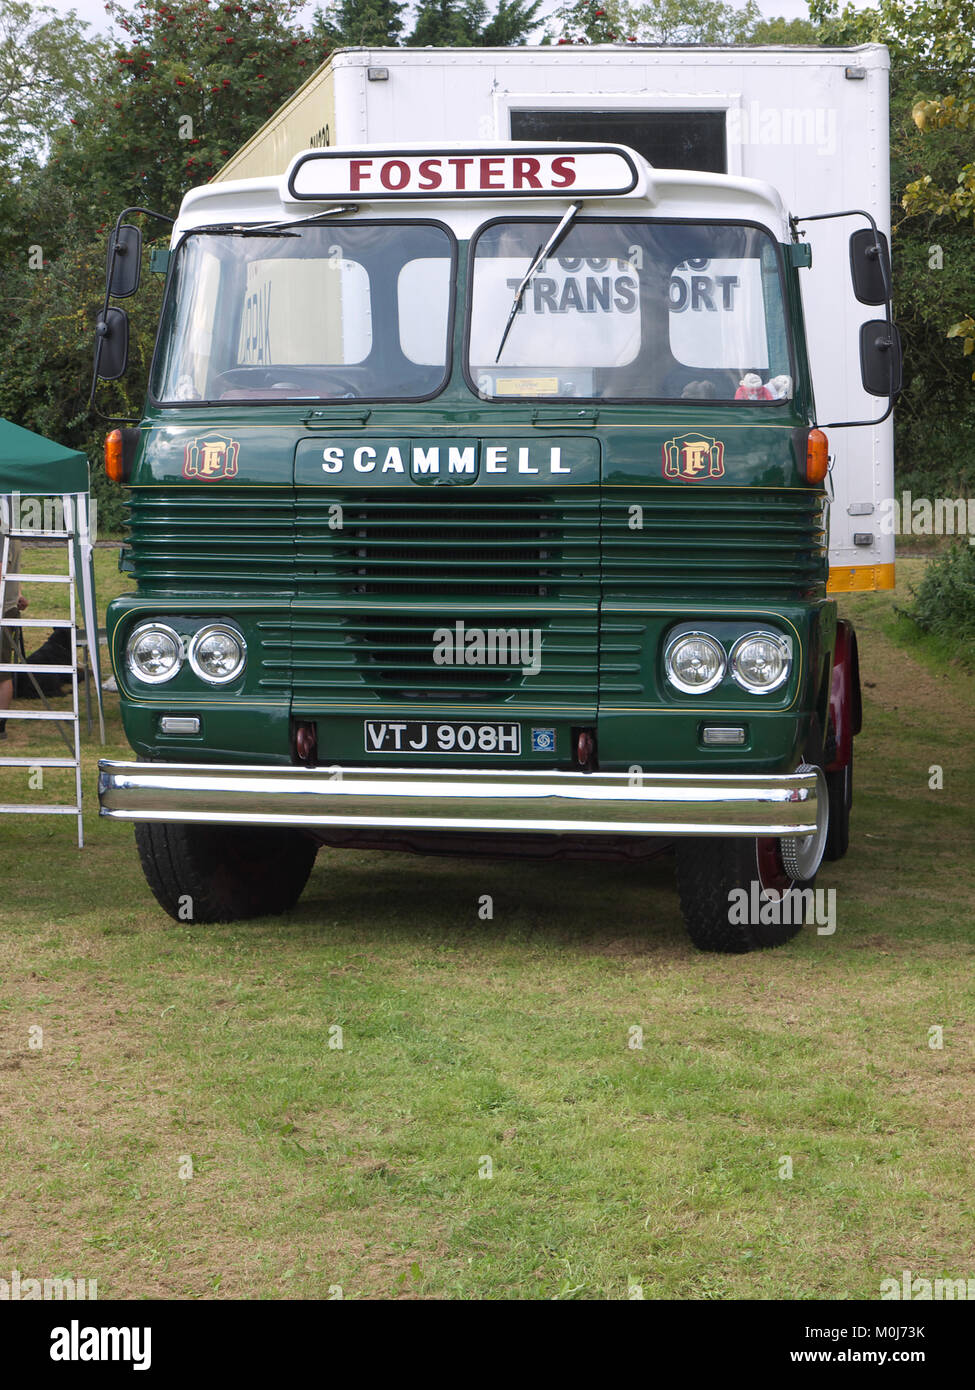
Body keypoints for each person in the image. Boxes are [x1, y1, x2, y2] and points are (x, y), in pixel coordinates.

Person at [0, 534, 28, 739]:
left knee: (2, 672)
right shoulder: (11, 535)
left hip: (3, 609)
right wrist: (18, 595)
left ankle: (0, 726)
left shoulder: (2, 536)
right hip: (9, 607)